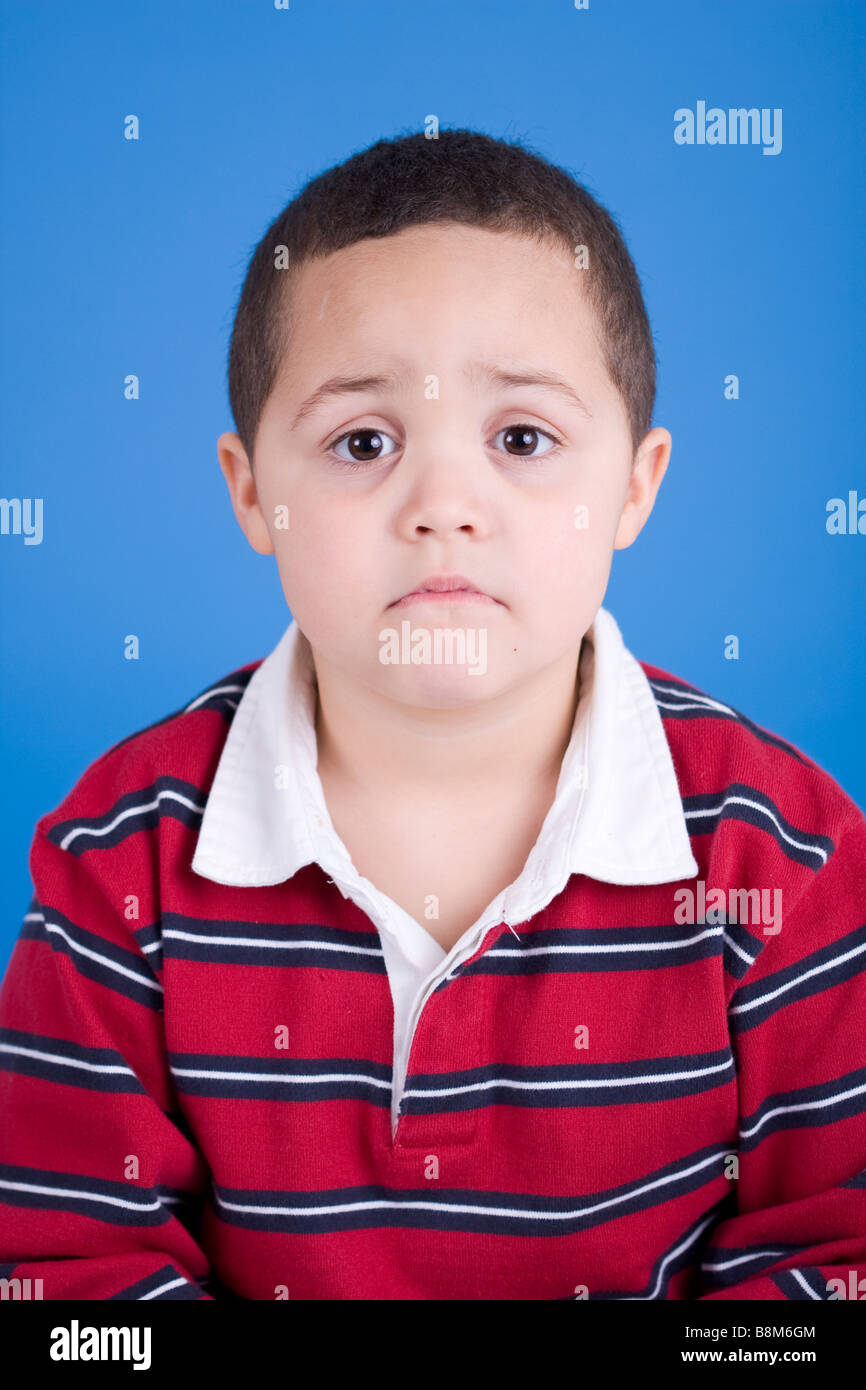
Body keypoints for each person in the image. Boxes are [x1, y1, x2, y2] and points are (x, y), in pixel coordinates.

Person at [1, 128, 864, 1301]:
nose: (445, 504)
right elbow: (61, 1276)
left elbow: (835, 1258)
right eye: (363, 442)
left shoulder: (783, 855)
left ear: (633, 484)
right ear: (253, 491)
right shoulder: (125, 854)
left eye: (521, 438)